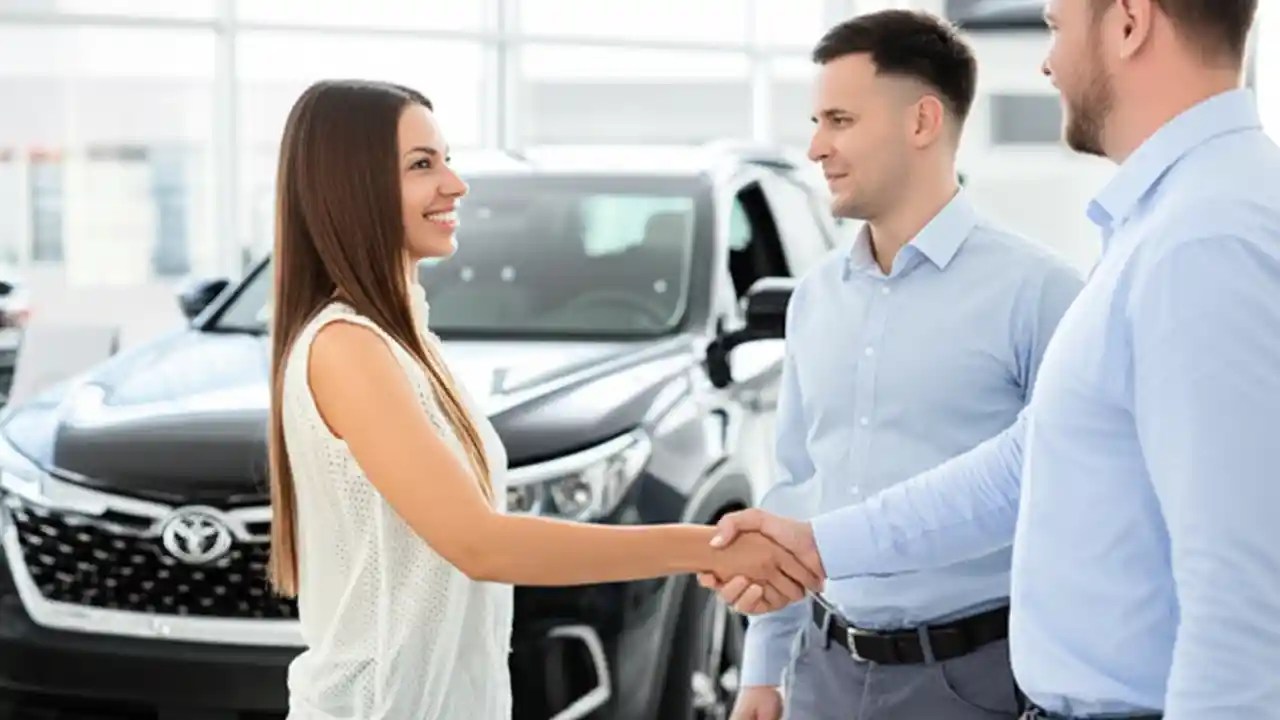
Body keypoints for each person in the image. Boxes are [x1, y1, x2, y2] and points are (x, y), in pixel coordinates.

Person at [706, 1, 1280, 718]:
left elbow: (1245, 599)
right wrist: (819, 544)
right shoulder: (1163, 226)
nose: (1046, 62)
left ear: (1129, 22)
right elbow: (1025, 465)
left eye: (1054, 24)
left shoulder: (1205, 240)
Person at [263, 79, 823, 720]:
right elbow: (481, 544)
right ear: (350, 187)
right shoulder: (347, 346)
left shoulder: (406, 339)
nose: (454, 184)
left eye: (447, 159)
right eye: (423, 164)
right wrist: (708, 546)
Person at [708, 10, 1083, 720]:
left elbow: (1065, 495)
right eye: (816, 121)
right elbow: (796, 482)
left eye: (840, 120)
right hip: (820, 670)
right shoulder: (814, 297)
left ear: (922, 122)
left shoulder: (1040, 293)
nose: (815, 147)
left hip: (975, 683)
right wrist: (763, 668)